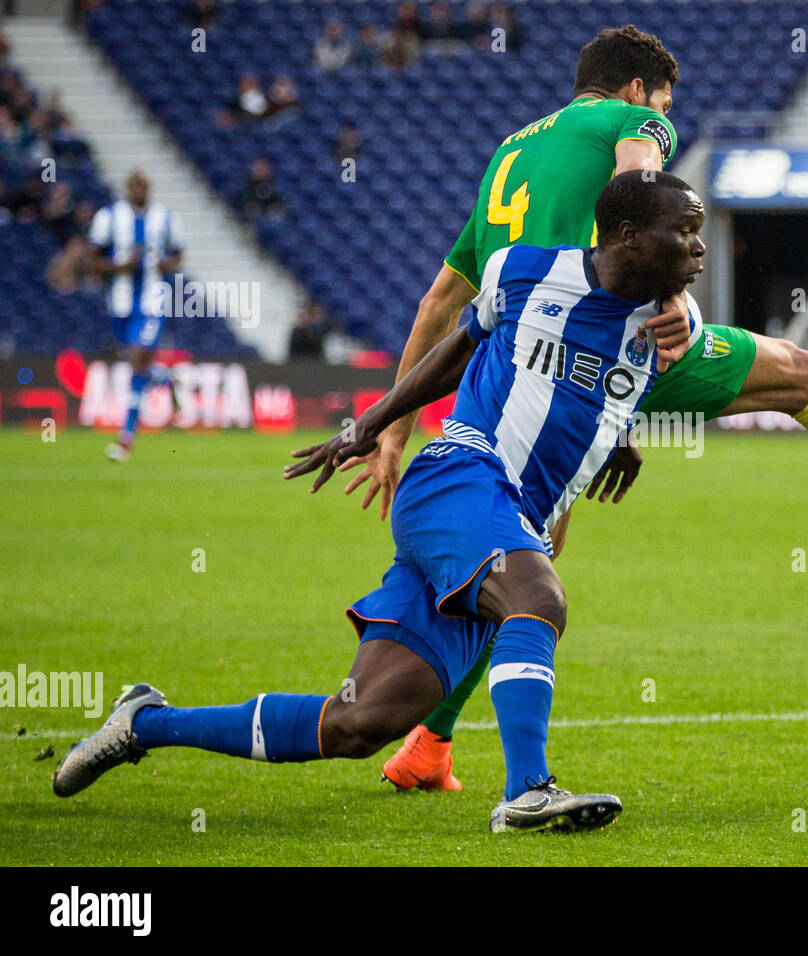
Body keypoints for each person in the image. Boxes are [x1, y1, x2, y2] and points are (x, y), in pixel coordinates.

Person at [347, 25, 808, 791]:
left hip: (525, 371)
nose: (664, 115)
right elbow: (644, 190)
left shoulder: (509, 156)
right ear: (638, 92)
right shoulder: (633, 122)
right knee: (801, 375)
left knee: (521, 550)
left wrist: (392, 432)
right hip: (609, 337)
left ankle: (430, 744)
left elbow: (438, 302)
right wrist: (674, 296)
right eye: (664, 101)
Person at [53, 170, 709, 835]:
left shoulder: (672, 328)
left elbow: (597, 383)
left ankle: (143, 723)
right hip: (459, 475)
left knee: (358, 723)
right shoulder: (524, 271)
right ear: (628, 237)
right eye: (684, 232)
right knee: (539, 599)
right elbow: (460, 347)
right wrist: (371, 423)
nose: (699, 249)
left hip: (502, 526)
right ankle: (528, 792)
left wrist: (619, 434)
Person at [89, 170, 183, 462]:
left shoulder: (166, 219)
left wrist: (167, 264)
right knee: (136, 363)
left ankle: (126, 438)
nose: (139, 190)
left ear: (149, 188)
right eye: (134, 185)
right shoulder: (108, 218)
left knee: (139, 356)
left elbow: (178, 256)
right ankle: (164, 378)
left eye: (144, 185)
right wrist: (120, 266)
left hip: (153, 302)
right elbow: (91, 261)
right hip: (120, 303)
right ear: (127, 188)